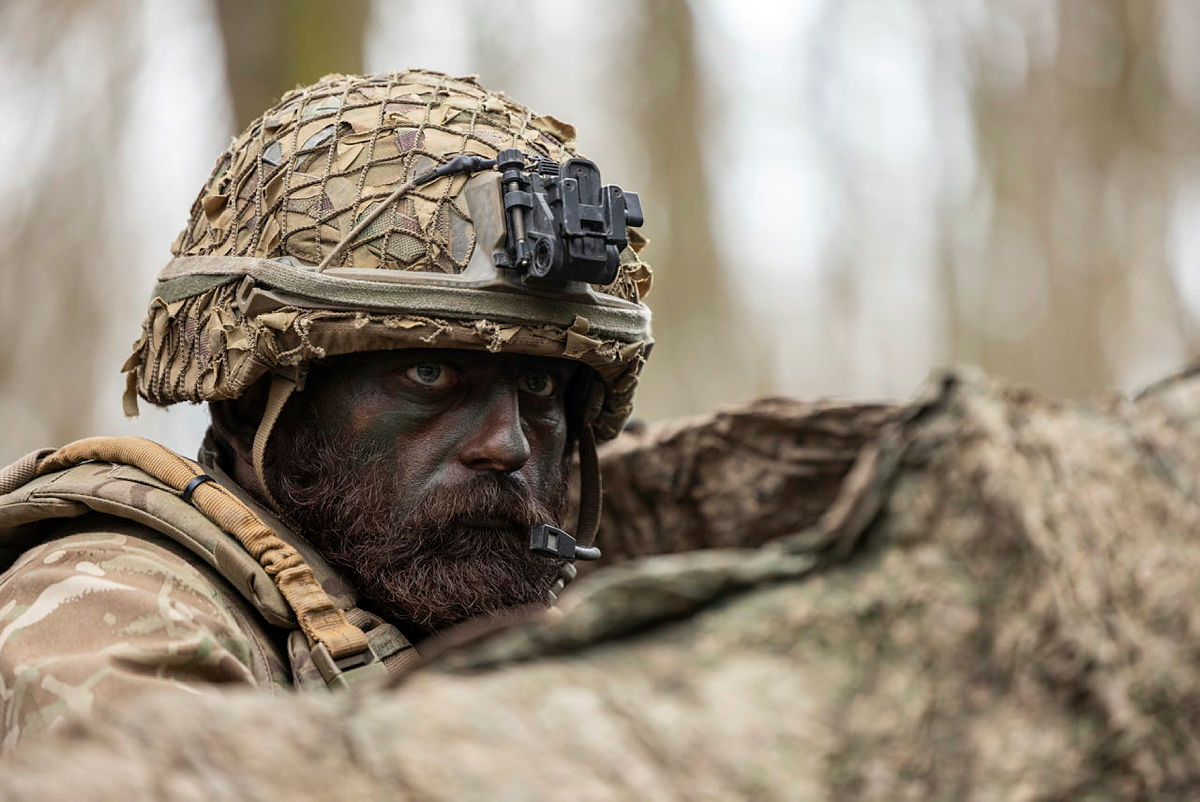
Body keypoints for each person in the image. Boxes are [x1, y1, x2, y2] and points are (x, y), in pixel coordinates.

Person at [0, 69, 653, 746]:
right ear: (255, 395)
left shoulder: (439, 590)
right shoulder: (113, 606)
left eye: (540, 388)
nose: (508, 443)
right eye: (429, 374)